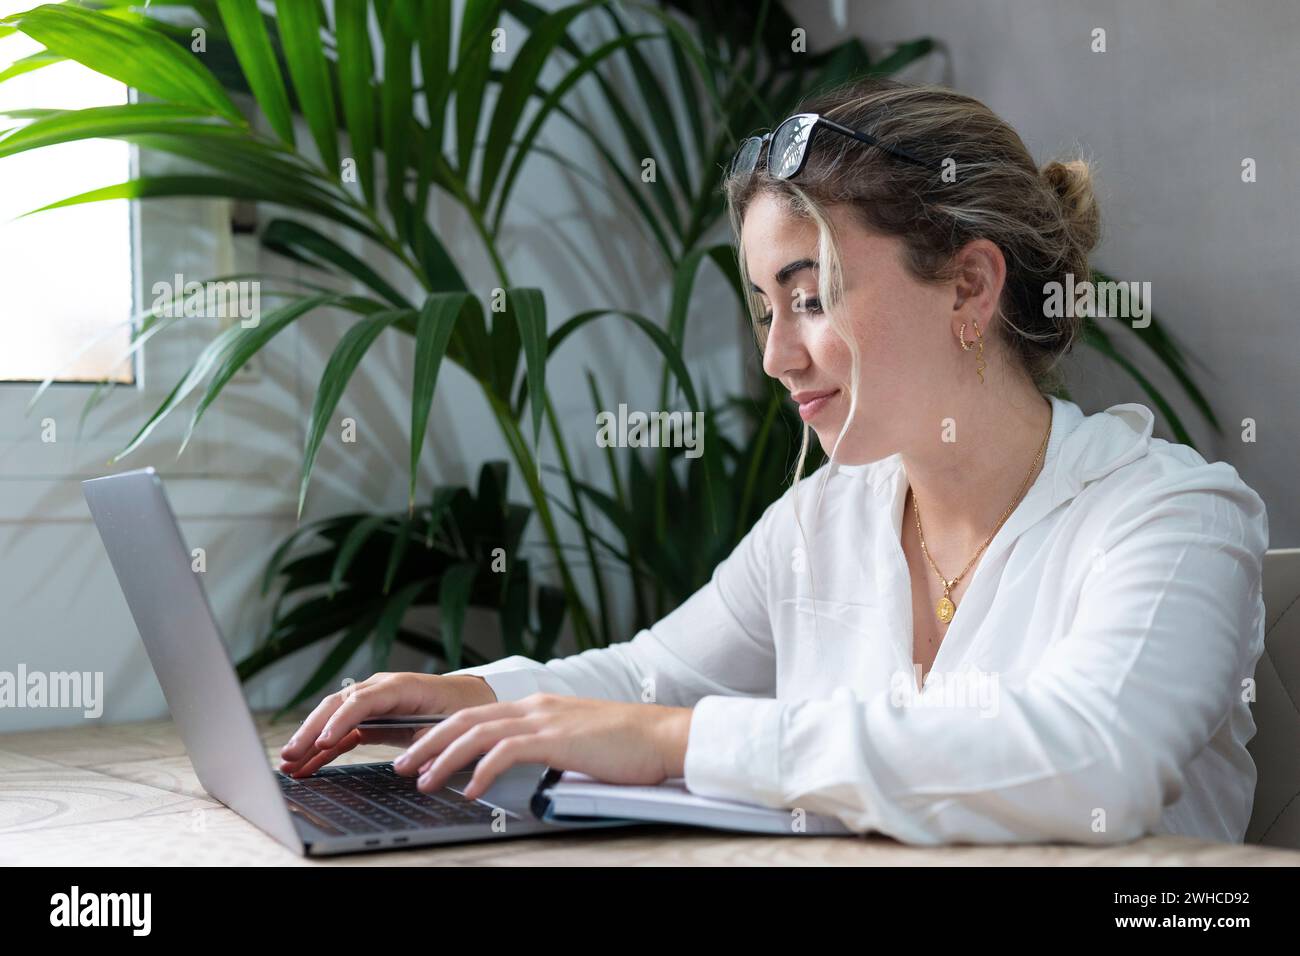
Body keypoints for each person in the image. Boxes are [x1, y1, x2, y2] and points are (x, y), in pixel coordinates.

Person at [279, 77, 1269, 845]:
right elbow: (647, 674)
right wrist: (481, 693)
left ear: (967, 286)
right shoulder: (820, 521)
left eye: (809, 295)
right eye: (763, 307)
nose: (774, 355)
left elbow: (1097, 758)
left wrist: (679, 744)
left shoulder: (1172, 516)